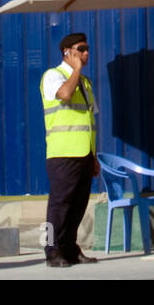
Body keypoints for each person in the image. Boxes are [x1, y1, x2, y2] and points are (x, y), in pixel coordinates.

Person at [40, 32, 101, 267]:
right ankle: (52, 251)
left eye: (87, 49)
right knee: (59, 204)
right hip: (62, 153)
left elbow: (90, 121)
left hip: (84, 153)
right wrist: (75, 69)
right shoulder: (53, 76)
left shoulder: (85, 83)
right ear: (67, 52)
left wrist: (93, 156)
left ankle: (70, 248)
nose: (86, 54)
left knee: (78, 205)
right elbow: (65, 95)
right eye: (81, 49)